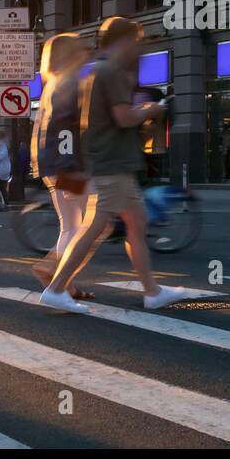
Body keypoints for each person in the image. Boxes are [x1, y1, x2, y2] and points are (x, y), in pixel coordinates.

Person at [39, 17, 187, 313]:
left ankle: (152, 291)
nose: (140, 47)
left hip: (113, 161)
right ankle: (56, 288)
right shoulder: (110, 71)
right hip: (112, 162)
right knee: (95, 226)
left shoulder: (96, 71)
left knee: (136, 223)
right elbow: (123, 118)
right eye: (138, 41)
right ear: (126, 40)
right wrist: (152, 109)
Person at [30, 32, 94, 299]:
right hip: (66, 164)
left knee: (71, 226)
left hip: (53, 165)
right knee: (87, 226)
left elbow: (43, 132)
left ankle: (64, 281)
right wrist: (71, 166)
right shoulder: (68, 84)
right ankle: (55, 274)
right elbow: (65, 129)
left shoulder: (52, 85)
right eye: (79, 50)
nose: (84, 54)